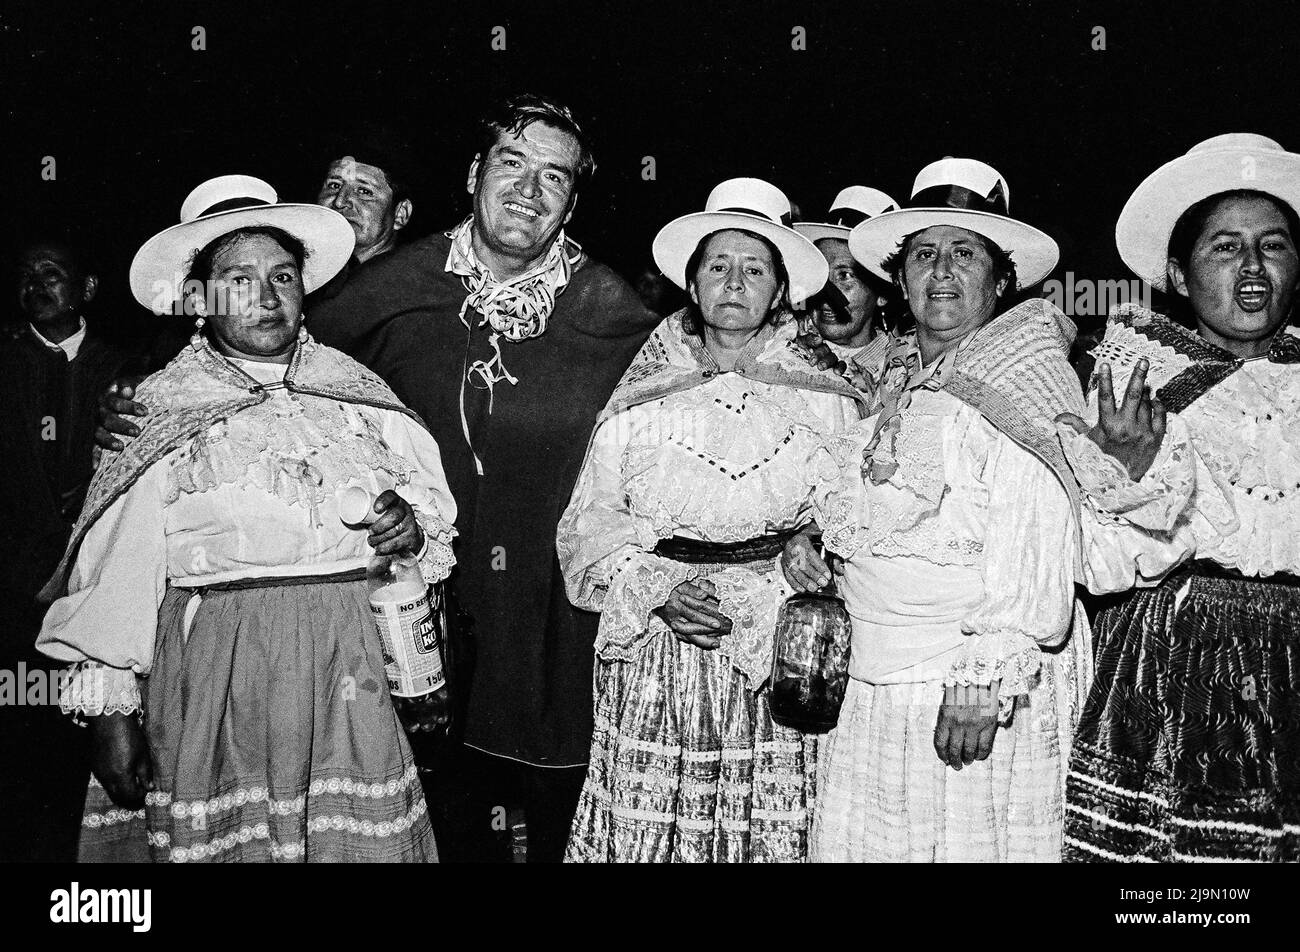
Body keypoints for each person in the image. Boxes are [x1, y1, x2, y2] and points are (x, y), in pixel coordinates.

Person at [101, 95, 660, 862]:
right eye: (512, 163)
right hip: (400, 639)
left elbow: (681, 416)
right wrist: (137, 395)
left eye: (555, 177)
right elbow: (248, 362)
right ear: (473, 174)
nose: (530, 189)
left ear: (574, 201)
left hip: (550, 629)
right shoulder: (386, 290)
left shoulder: (614, 310)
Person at [37, 175, 457, 862]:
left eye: (283, 276)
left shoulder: (359, 399)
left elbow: (424, 531)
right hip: (221, 677)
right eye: (237, 279)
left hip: (351, 671)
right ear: (199, 300)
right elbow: (120, 571)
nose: (265, 298)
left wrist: (408, 532)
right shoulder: (157, 413)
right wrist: (113, 713)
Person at [791, 158, 1092, 862]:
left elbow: (1037, 536)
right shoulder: (897, 377)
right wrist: (818, 541)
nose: (943, 271)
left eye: (966, 254)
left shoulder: (1023, 374)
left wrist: (986, 674)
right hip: (874, 683)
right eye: (924, 254)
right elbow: (887, 511)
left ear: (1002, 278)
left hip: (968, 687)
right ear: (899, 279)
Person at [558, 177, 865, 862]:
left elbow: (856, 516)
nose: (734, 282)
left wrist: (809, 551)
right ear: (691, 286)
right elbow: (592, 522)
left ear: (782, 290)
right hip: (663, 646)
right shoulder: (643, 396)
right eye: (717, 266)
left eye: (755, 268)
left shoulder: (830, 400)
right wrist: (656, 590)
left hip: (776, 646)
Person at [1059, 134, 1300, 863]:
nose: (1253, 267)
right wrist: (1126, 475)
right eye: (1225, 247)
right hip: (1174, 666)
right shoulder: (1135, 381)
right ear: (1178, 274)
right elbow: (1094, 567)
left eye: (1275, 245)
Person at [0, 238, 132, 861]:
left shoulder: (130, 368)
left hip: (96, 601)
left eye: (53, 272)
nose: (37, 283)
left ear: (88, 288)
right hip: (11, 602)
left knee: (93, 756)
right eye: (27, 275)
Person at [795, 186, 900, 359]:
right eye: (820, 274)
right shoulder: (782, 339)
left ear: (882, 294)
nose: (826, 291)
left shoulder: (899, 368)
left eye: (844, 275)